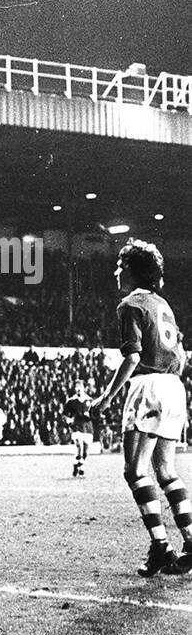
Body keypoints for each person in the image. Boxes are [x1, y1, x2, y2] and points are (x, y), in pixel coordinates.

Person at [91, 239, 192, 576]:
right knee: (166, 470)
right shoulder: (163, 305)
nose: (117, 272)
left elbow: (133, 356)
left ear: (133, 271)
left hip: (149, 387)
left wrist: (105, 398)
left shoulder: (131, 304)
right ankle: (190, 541)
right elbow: (179, 355)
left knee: (135, 471)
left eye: (121, 267)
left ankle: (161, 546)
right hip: (175, 387)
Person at [63, 380, 95, 477]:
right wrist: (68, 420)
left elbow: (94, 415)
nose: (78, 390)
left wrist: (89, 415)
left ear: (83, 388)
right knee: (79, 446)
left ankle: (78, 464)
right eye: (76, 388)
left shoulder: (89, 400)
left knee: (85, 451)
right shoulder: (71, 401)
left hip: (88, 427)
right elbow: (64, 414)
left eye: (80, 388)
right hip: (77, 426)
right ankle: (81, 466)